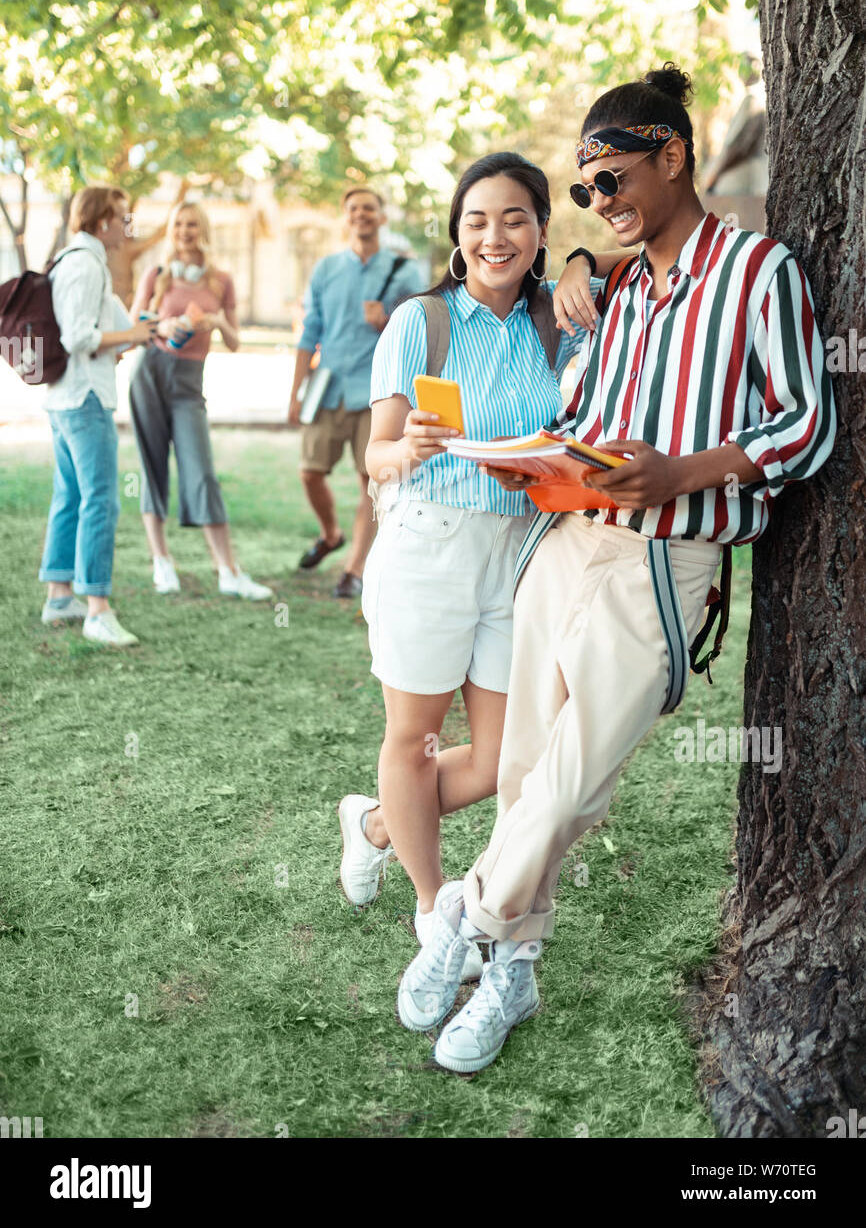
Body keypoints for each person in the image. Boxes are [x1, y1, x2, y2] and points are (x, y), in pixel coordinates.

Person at [395, 65, 837, 1073]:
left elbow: (806, 422)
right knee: (520, 775)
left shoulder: (753, 271)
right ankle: (513, 972)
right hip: (564, 545)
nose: (596, 203)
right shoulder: (619, 289)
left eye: (610, 182)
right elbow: (578, 409)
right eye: (585, 191)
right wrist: (532, 443)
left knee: (572, 781)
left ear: (671, 157)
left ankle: (465, 913)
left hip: (663, 561)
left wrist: (682, 469)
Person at [337, 152, 606, 981]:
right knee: (414, 737)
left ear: (541, 232)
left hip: (521, 551)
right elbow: (375, 455)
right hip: (429, 542)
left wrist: (587, 262)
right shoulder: (422, 321)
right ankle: (430, 900)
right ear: (458, 235)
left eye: (515, 218)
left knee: (499, 762)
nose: (496, 235)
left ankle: (377, 824)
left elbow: (647, 265)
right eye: (478, 220)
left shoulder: (558, 322)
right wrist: (404, 448)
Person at [128, 200, 272, 600]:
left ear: (203, 230)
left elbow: (235, 341)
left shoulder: (221, 280)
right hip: (151, 371)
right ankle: (162, 564)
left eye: (192, 224)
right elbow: (134, 323)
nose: (185, 231)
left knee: (202, 470)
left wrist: (217, 321)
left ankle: (229, 571)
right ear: (171, 229)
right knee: (152, 464)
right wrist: (163, 324)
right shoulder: (156, 275)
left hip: (190, 382)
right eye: (179, 224)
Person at [288, 188, 424, 598]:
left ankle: (354, 569)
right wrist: (295, 391)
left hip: (379, 390)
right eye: (354, 209)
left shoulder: (405, 271)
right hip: (328, 386)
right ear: (346, 218)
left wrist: (385, 322)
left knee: (372, 479)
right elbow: (309, 332)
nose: (362, 214)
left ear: (382, 217)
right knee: (310, 472)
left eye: (370, 207)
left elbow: (418, 331)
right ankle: (331, 534)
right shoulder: (326, 268)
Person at [38, 184, 158, 648]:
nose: (128, 227)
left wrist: (130, 336)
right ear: (102, 220)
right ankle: (97, 608)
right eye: (123, 219)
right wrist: (126, 335)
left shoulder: (78, 261)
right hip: (84, 398)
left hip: (68, 396)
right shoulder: (86, 265)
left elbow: (94, 336)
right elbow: (78, 337)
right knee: (100, 499)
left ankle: (59, 595)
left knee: (70, 496)